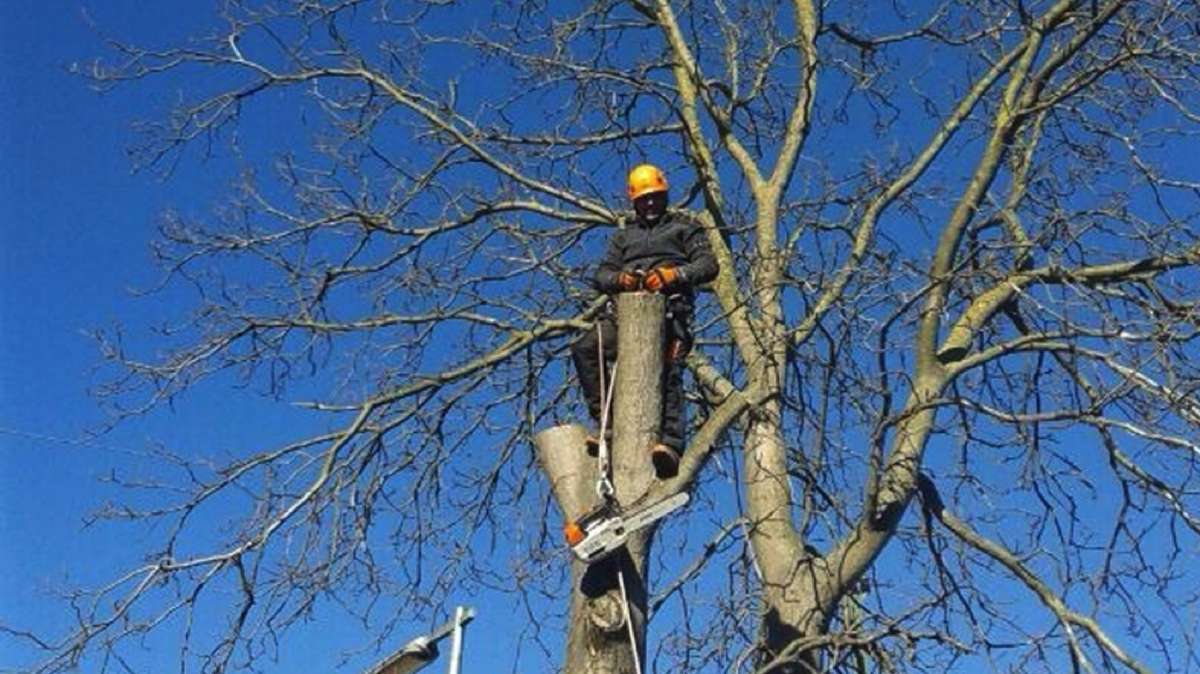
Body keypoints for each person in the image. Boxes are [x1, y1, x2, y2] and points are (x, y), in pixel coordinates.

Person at [572, 164, 719, 479]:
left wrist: (673, 275)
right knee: (586, 348)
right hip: (624, 316)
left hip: (671, 313)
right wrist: (622, 280)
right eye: (644, 200)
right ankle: (607, 423)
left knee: (669, 372)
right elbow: (601, 275)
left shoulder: (685, 228)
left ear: (663, 195)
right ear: (634, 202)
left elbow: (708, 265)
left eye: (654, 197)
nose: (649, 204)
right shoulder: (624, 237)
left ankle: (670, 444)